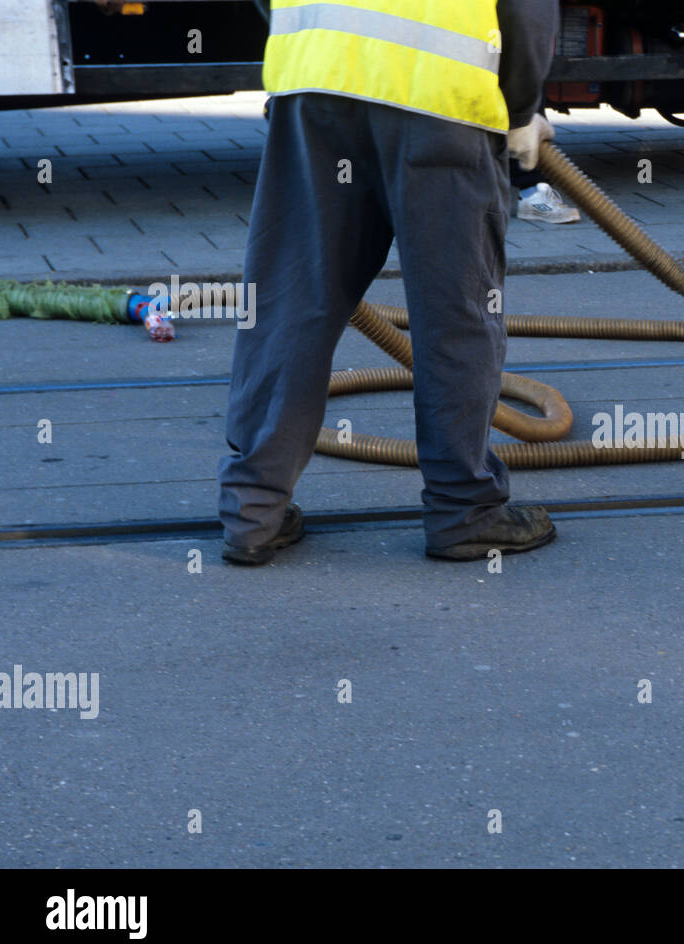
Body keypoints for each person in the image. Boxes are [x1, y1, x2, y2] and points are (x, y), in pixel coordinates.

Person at [218, 0, 561, 565]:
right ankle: (464, 513)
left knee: (292, 298)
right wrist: (521, 108)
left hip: (316, 82)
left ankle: (252, 512)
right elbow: (526, 10)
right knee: (455, 310)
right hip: (441, 94)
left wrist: (314, 46)